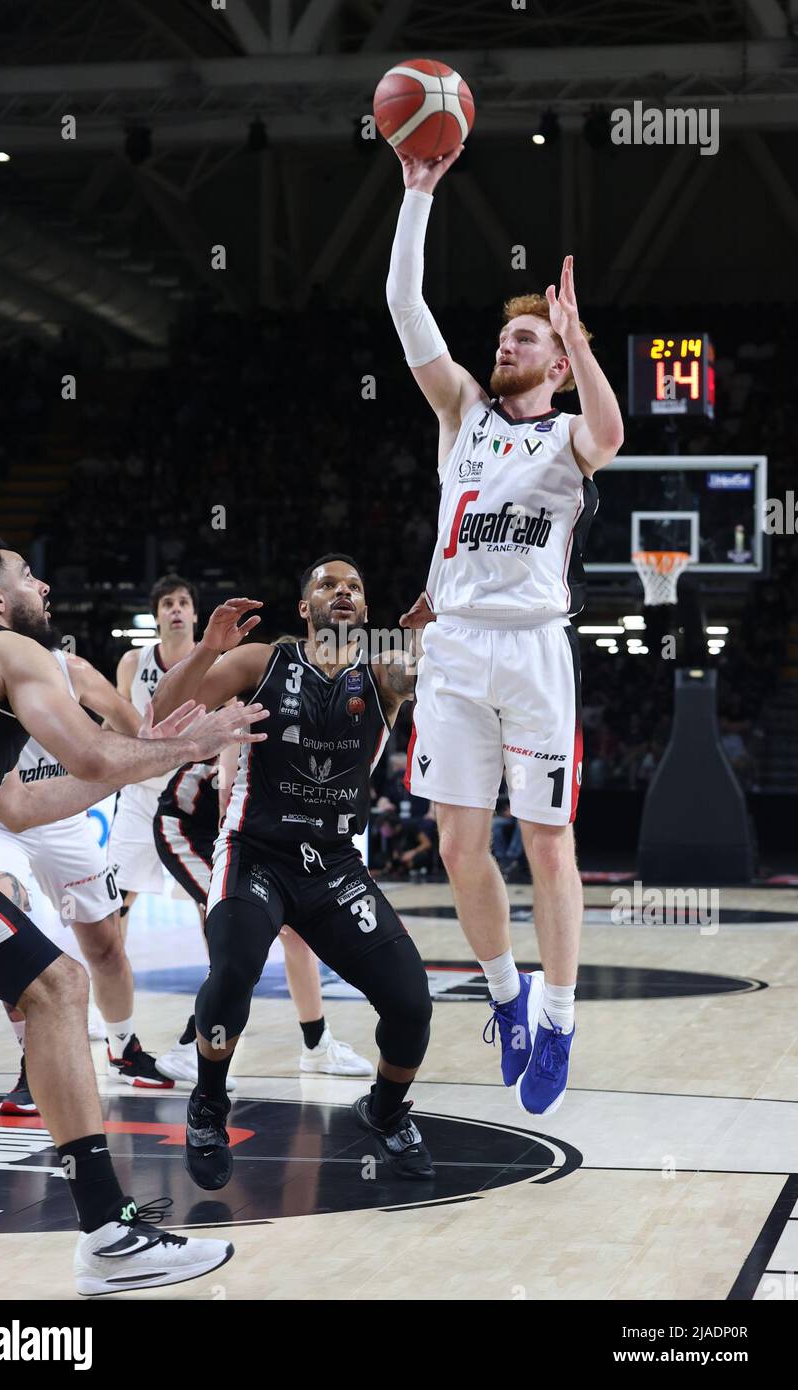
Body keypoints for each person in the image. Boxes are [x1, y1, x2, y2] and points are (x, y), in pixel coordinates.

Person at [0, 536, 267, 1294]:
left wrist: (152, 746)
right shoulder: (6, 651)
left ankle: (108, 1233)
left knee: (54, 982)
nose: (44, 584)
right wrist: (194, 743)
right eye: (26, 575)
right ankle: (109, 1236)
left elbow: (23, 806)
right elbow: (92, 757)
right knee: (56, 985)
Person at [388, 143, 624, 1115]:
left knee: (547, 842)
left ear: (558, 365)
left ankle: (562, 1015)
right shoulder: (463, 414)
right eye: (507, 337)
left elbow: (609, 435)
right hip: (451, 648)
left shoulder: (568, 434)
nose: (506, 348)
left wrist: (580, 337)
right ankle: (508, 997)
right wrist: (416, 197)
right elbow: (406, 310)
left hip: (531, 649)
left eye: (527, 342)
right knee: (454, 845)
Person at [152, 555, 435, 1183]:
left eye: (355, 587)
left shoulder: (383, 672)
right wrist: (205, 652)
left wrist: (421, 632)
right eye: (328, 585)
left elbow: (417, 674)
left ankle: (386, 1112)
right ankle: (208, 1103)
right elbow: (160, 716)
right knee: (231, 975)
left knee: (412, 1004)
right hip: (258, 854)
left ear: (364, 612)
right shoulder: (260, 663)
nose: (343, 592)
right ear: (305, 609)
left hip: (335, 865)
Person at [0, 642, 171, 1112]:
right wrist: (109, 770)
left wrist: (146, 745)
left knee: (106, 945)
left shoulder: (70, 668)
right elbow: (16, 810)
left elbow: (134, 726)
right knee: (6, 927)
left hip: (62, 819)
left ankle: (124, 1047)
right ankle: (33, 1060)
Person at [152, 741, 372, 1082]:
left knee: (296, 931)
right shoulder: (266, 717)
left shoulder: (316, 742)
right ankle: (189, 1047)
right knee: (242, 933)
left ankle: (316, 1046)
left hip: (249, 831)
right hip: (191, 826)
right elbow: (228, 789)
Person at [108, 574, 199, 928]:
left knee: (207, 902)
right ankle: (110, 983)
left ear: (194, 616)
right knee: (117, 899)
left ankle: (221, 983)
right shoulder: (133, 662)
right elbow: (112, 724)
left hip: (192, 794)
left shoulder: (216, 664)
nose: (176, 609)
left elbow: (234, 730)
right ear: (157, 616)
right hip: (139, 793)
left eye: (183, 603)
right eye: (167, 604)